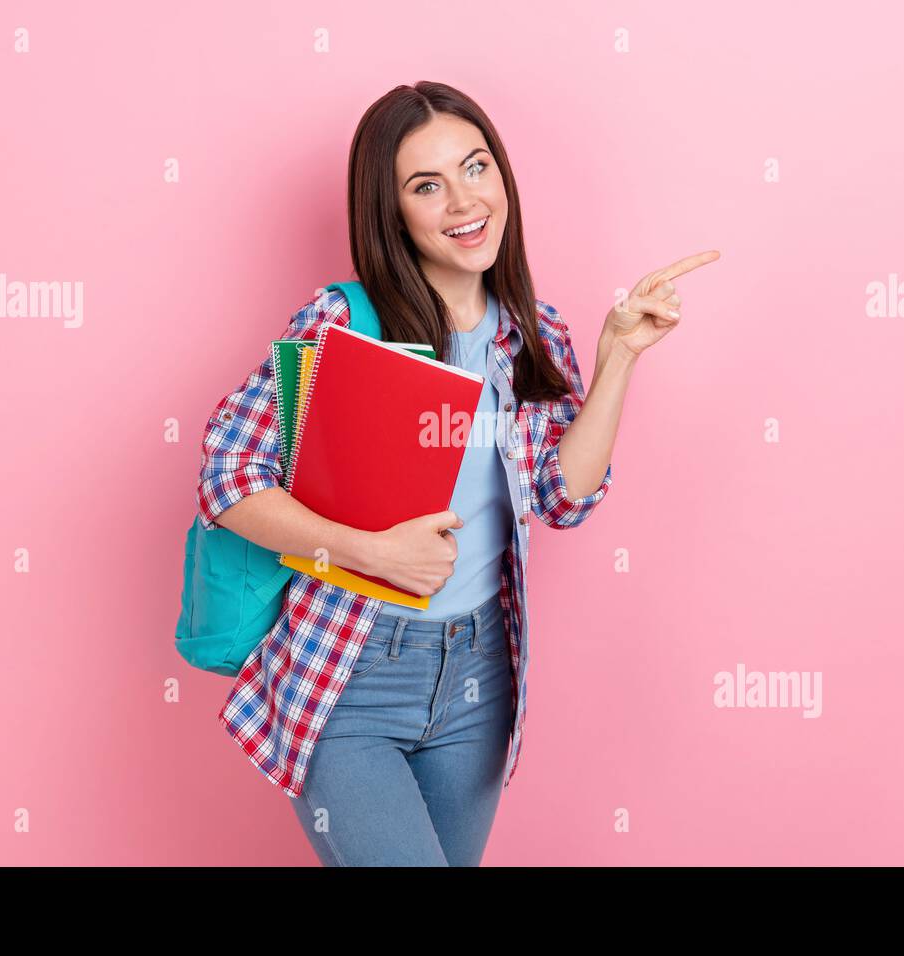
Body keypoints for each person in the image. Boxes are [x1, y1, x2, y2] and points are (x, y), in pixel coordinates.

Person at [197, 80, 720, 865]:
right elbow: (227, 472)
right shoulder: (346, 323)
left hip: (480, 675)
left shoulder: (532, 333)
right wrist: (369, 552)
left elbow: (561, 496)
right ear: (392, 210)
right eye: (426, 185)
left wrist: (617, 358)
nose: (462, 202)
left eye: (475, 168)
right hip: (352, 669)